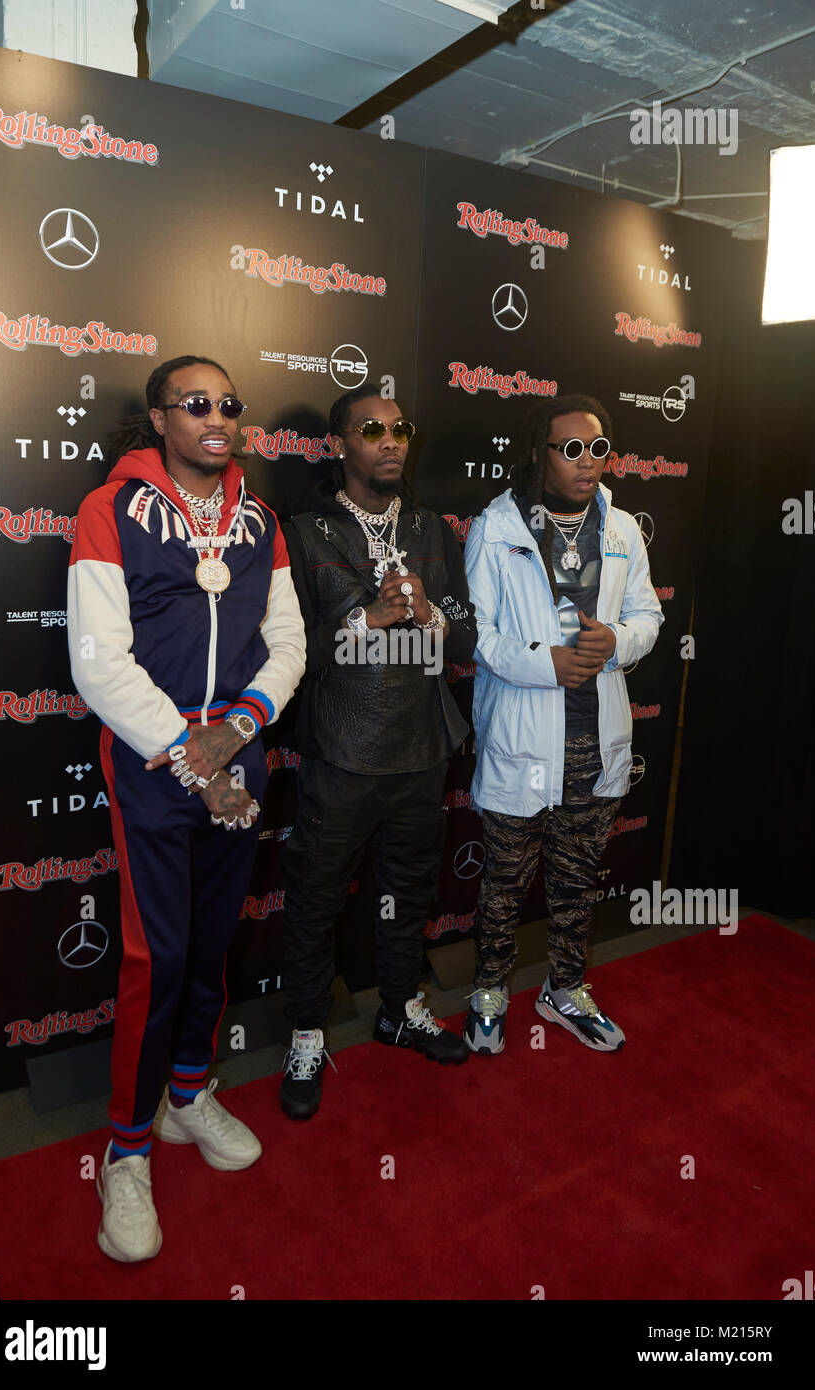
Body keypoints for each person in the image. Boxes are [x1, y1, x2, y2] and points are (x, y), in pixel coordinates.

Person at [67, 355, 305, 1261]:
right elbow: (98, 662)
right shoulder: (108, 510)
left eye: (228, 405)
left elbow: (286, 641)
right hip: (155, 763)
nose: (217, 416)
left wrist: (239, 729)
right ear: (160, 418)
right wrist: (189, 756)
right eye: (195, 403)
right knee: (154, 956)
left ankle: (188, 1095)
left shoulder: (262, 519)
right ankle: (125, 1153)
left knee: (212, 942)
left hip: (238, 755)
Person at [278, 382, 479, 1118]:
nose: (390, 441)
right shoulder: (304, 531)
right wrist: (367, 616)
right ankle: (305, 1031)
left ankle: (398, 1007)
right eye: (371, 430)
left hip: (422, 748)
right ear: (340, 444)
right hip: (340, 751)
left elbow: (464, 640)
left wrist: (429, 611)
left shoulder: (431, 528)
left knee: (409, 891)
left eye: (400, 429)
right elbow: (291, 654)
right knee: (315, 899)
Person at [463, 394, 663, 1055]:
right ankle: (489, 991)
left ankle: (564, 989)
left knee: (576, 881)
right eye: (569, 448)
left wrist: (620, 644)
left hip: (596, 739)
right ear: (537, 452)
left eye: (597, 448)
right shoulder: (496, 526)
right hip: (523, 736)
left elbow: (647, 617)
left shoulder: (623, 527)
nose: (586, 461)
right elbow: (479, 636)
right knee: (504, 881)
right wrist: (542, 663)